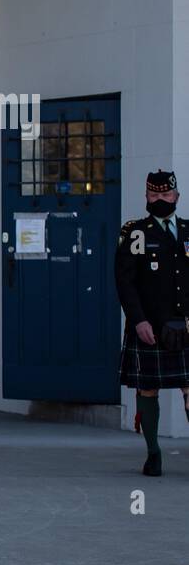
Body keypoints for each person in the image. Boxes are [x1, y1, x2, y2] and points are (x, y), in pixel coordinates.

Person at [115, 169, 189, 477]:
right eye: (154, 195)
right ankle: (153, 453)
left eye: (166, 195)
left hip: (185, 325)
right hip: (149, 326)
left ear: (176, 197)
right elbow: (125, 282)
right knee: (148, 390)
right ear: (146, 196)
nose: (160, 200)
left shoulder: (187, 231)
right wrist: (139, 320)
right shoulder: (135, 233)